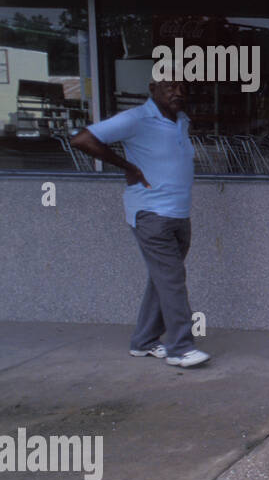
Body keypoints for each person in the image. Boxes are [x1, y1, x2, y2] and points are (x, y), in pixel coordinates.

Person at [70, 78, 210, 368]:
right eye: (170, 86)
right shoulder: (136, 118)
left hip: (179, 214)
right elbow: (81, 139)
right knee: (172, 280)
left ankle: (144, 341)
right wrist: (127, 166)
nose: (178, 92)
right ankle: (180, 348)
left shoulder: (181, 120)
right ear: (152, 89)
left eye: (182, 87)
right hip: (151, 214)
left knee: (163, 279)